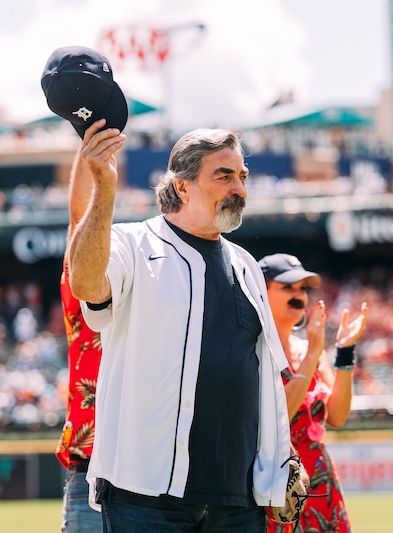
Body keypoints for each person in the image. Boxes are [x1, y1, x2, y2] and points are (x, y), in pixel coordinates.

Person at [67, 121, 294, 533]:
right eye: (223, 176)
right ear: (183, 187)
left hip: (238, 498)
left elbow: (264, 380)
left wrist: (281, 461)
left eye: (242, 176)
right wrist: (104, 189)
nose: (239, 189)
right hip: (147, 496)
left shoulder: (246, 265)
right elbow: (84, 283)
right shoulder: (132, 244)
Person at [259, 253, 368, 533]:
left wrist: (343, 352)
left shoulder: (310, 349)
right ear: (261, 289)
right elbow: (276, 416)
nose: (298, 295)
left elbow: (337, 416)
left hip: (320, 482)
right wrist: (312, 356)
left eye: (303, 289)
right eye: (287, 287)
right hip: (275, 487)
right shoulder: (254, 350)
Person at [56, 144, 104, 532]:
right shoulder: (85, 306)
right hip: (90, 468)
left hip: (155, 477)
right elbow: (78, 219)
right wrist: (91, 136)